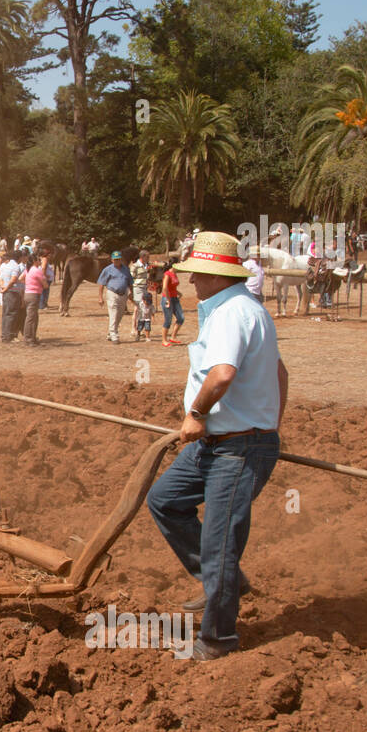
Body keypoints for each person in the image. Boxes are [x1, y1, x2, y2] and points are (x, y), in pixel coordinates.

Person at [146, 231, 288, 661]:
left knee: (220, 541)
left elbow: (222, 375)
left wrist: (198, 414)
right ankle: (222, 581)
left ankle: (217, 640)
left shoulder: (231, 314)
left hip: (237, 448)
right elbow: (281, 374)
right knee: (165, 499)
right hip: (226, 442)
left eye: (196, 275)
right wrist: (268, 424)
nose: (190, 282)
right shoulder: (244, 309)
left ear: (216, 275)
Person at [97, 250, 133, 344]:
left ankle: (110, 333)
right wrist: (100, 297)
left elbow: (130, 281)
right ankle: (114, 335)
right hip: (112, 293)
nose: (117, 261)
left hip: (123, 294)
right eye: (115, 260)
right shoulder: (107, 269)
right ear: (112, 260)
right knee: (113, 313)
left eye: (118, 259)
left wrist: (131, 293)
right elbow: (101, 283)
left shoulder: (126, 269)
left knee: (120, 315)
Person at [0, 250, 27, 342]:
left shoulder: (6, 265)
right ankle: (9, 336)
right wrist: (6, 288)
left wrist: (2, 287)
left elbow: (1, 278)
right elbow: (13, 279)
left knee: (6, 314)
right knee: (12, 314)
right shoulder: (16, 267)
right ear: (19, 257)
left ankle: (4, 335)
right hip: (12, 292)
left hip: (6, 292)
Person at [22, 253, 47, 346]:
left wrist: (28, 284)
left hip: (27, 293)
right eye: (38, 260)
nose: (40, 261)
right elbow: (45, 284)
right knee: (31, 317)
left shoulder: (27, 270)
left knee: (33, 317)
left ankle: (31, 337)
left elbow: (21, 278)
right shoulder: (37, 271)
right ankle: (28, 338)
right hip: (34, 295)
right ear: (34, 261)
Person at [161, 262, 185, 346]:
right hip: (167, 299)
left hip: (175, 298)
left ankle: (173, 337)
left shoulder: (174, 274)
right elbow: (164, 288)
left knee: (181, 318)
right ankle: (164, 340)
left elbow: (173, 287)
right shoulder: (167, 274)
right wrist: (167, 300)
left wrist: (179, 293)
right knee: (168, 320)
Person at [129, 250, 150, 340]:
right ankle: (134, 328)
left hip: (145, 287)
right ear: (143, 257)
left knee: (143, 308)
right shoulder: (135, 266)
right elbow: (131, 278)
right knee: (138, 308)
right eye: (147, 257)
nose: (148, 259)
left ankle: (139, 328)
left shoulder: (146, 266)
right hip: (137, 288)